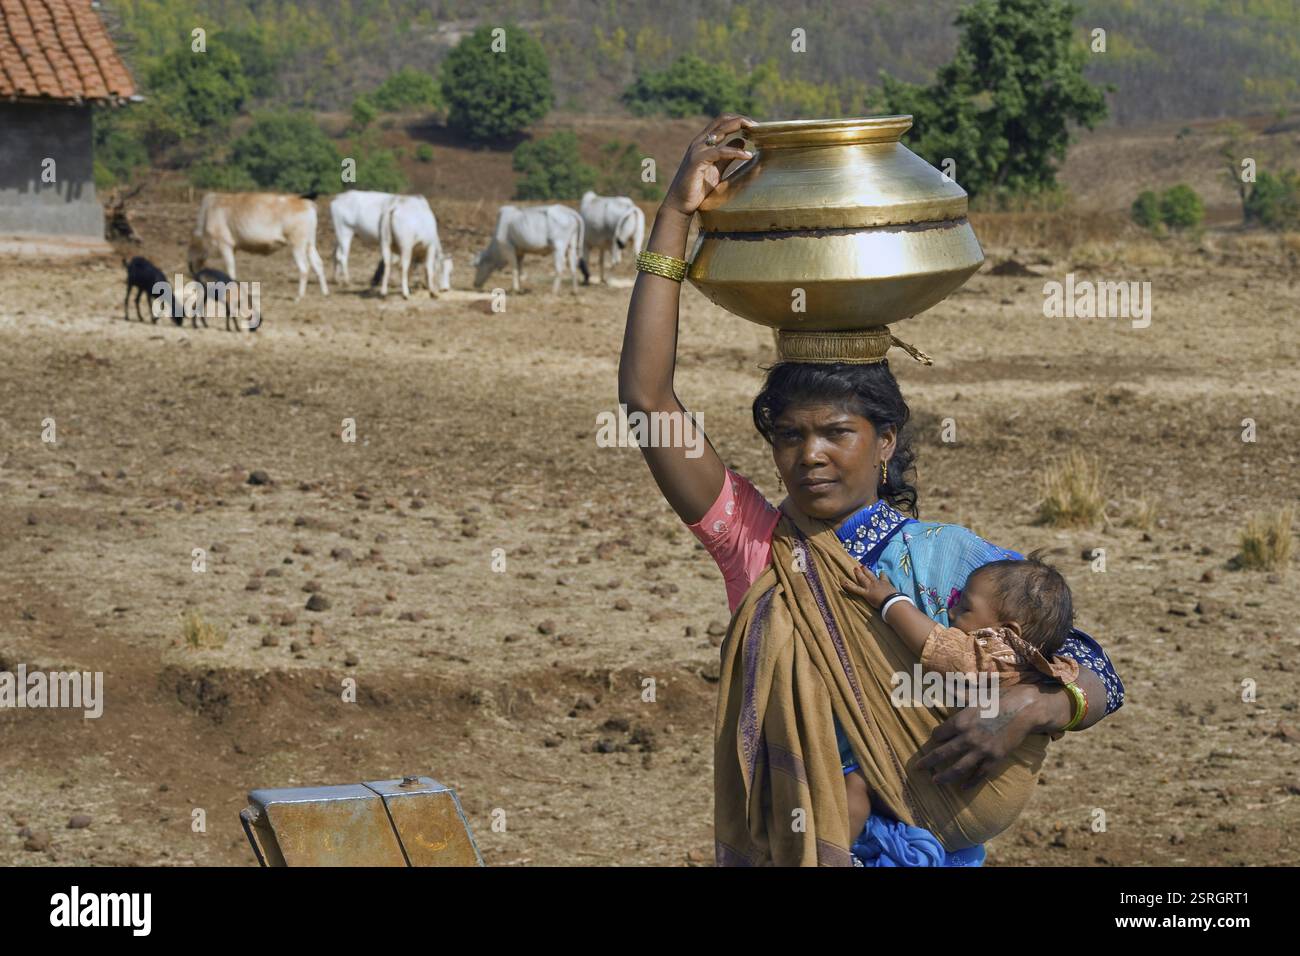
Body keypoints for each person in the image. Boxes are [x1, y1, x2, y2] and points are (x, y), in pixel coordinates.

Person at [617, 112, 1125, 867]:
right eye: (789, 435)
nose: (810, 456)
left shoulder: (949, 563)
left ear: (885, 442)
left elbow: (1098, 671)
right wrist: (672, 220)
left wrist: (1029, 706)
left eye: (836, 433)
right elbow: (649, 401)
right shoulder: (755, 546)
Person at [840, 552, 1082, 849]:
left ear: (1007, 632)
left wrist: (889, 600)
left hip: (971, 799)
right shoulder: (1044, 669)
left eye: (964, 606)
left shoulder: (993, 657)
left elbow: (937, 645)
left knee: (856, 785)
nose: (951, 613)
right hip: (993, 806)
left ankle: (829, 856)